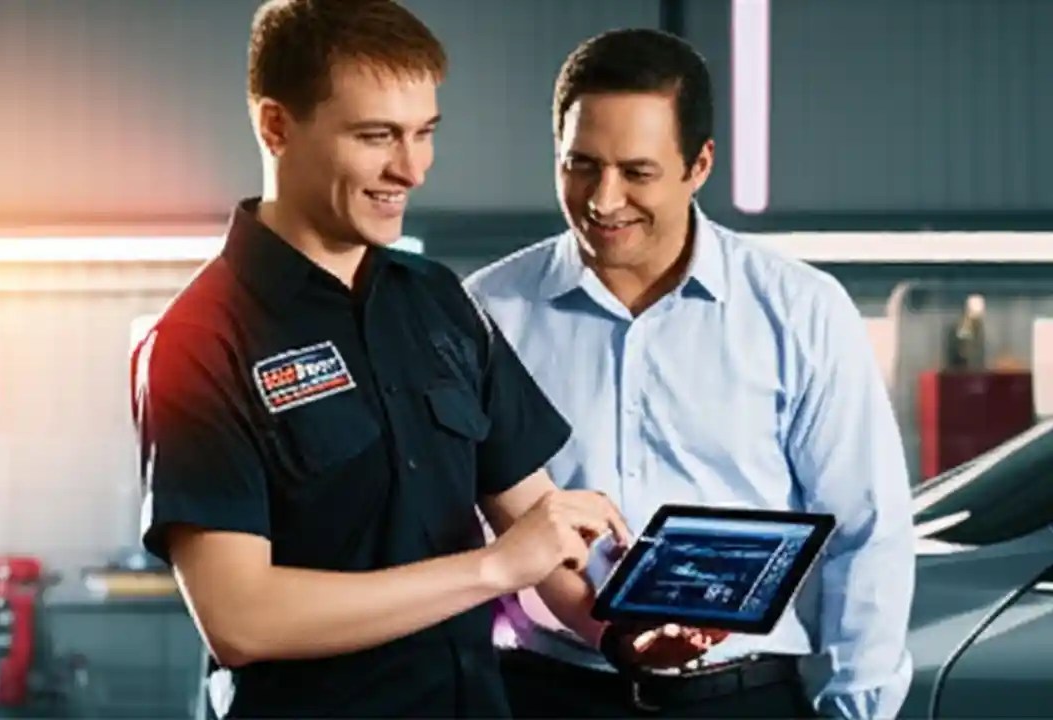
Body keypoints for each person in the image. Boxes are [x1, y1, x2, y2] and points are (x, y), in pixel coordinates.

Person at [130, 1, 629, 717]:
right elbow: (240, 618)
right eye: (377, 136)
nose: (412, 168)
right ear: (276, 126)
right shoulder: (198, 342)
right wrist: (494, 567)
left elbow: (540, 526)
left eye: (425, 133)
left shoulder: (439, 302)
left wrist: (628, 635)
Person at [465, 28, 915, 719]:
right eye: (580, 165)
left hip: (741, 694)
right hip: (543, 692)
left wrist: (858, 709)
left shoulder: (798, 310)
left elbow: (867, 530)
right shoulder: (488, 312)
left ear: (699, 165)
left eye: (636, 172)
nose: (603, 199)